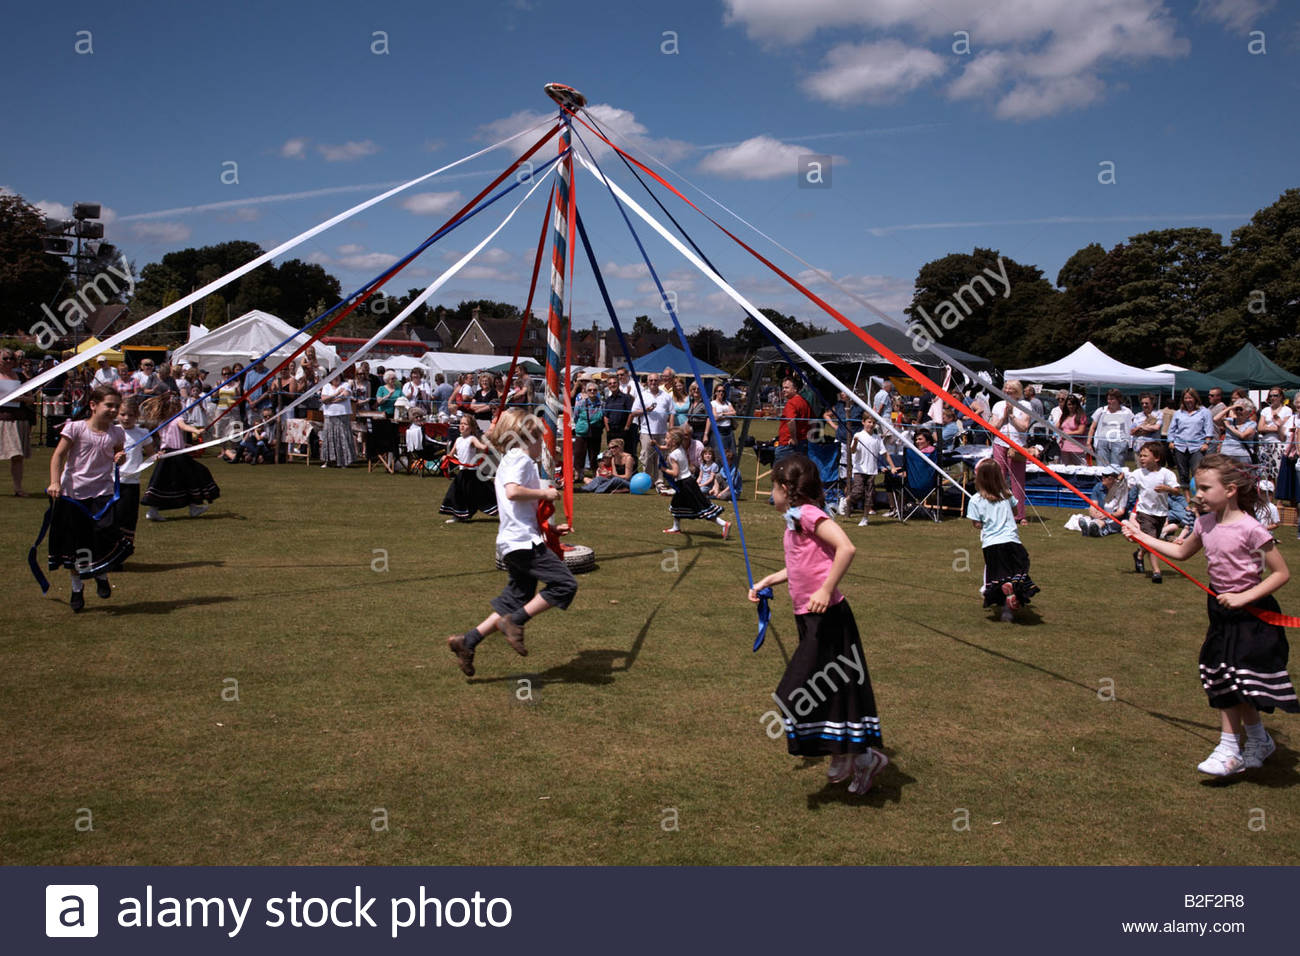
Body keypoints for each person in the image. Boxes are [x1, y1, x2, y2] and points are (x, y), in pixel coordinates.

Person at [1122, 455, 1297, 775]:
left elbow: (1281, 573)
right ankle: (1257, 740)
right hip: (1220, 610)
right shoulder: (1204, 523)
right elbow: (1180, 552)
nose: (1198, 494)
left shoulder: (1250, 528)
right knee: (1228, 675)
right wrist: (1139, 536)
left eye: (1205, 487)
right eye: (1195, 487)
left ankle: (1230, 749)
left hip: (1252, 614)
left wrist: (1244, 596)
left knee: (1231, 676)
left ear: (1230, 490)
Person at [748, 453, 886, 795]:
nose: (771, 496)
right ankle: (861, 757)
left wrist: (826, 589)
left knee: (794, 691)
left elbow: (846, 548)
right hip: (807, 617)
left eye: (772, 489)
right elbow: (801, 565)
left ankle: (842, 751)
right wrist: (769, 580)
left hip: (829, 617)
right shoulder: (794, 518)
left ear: (784, 488)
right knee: (832, 688)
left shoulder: (809, 514)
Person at [445, 408, 578, 677]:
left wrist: (551, 529)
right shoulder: (521, 459)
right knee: (565, 584)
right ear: (523, 437)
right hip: (522, 543)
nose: (541, 445)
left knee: (516, 599)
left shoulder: (508, 459)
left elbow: (520, 509)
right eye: (538, 439)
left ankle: (467, 641)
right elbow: (513, 492)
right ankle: (515, 622)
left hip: (512, 541)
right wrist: (546, 492)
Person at [45, 386, 131, 611]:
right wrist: (55, 482)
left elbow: (118, 457)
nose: (113, 410)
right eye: (108, 405)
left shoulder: (117, 432)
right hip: (74, 495)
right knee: (76, 544)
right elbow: (58, 456)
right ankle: (77, 587)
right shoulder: (75, 428)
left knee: (103, 537)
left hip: (102, 494)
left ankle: (101, 575)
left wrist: (120, 458)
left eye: (116, 406)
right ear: (93, 405)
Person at [969, 457, 1039, 621]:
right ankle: (1011, 596)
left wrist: (985, 522)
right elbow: (1015, 513)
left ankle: (1006, 598)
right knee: (1019, 572)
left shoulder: (975, 500)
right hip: (1013, 542)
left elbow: (976, 524)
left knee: (998, 578)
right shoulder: (1007, 494)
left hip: (992, 545)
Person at [140, 393, 220, 521]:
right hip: (174, 455)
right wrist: (196, 430)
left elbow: (171, 437)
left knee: (179, 480)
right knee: (192, 475)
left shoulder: (162, 422)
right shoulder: (177, 419)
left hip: (171, 453)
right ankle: (154, 511)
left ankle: (193, 507)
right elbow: (184, 427)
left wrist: (184, 444)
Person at [661, 427, 730, 538]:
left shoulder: (673, 455)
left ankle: (723, 524)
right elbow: (665, 447)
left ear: (673, 441)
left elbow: (675, 473)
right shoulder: (680, 448)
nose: (665, 439)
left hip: (684, 484)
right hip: (688, 482)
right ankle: (676, 527)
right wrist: (656, 445)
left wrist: (664, 470)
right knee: (676, 504)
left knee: (700, 508)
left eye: (667, 438)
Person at [1128, 442, 1180, 584]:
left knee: (1151, 542)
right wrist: (1120, 480)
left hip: (1161, 513)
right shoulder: (1137, 473)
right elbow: (1127, 486)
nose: (1141, 458)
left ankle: (1139, 554)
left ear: (1156, 458)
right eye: (1140, 455)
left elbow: (1177, 490)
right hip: (1144, 513)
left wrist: (1166, 488)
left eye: (1145, 456)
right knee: (1152, 543)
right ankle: (1156, 571)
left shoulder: (1166, 473)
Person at [114, 398, 155, 563]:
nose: (126, 418)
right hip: (112, 482)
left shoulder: (142, 433)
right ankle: (108, 554)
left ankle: (121, 555)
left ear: (136, 416)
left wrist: (157, 456)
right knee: (111, 519)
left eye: (130, 415)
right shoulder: (113, 431)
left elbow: (151, 453)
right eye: (122, 414)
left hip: (131, 484)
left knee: (128, 519)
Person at [439, 414, 498, 522]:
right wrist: (445, 457)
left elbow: (482, 447)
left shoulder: (472, 439)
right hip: (462, 472)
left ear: (471, 428)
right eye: (461, 424)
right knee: (456, 492)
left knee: (485, 493)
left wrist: (489, 441)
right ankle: (458, 515)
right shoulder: (458, 440)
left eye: (465, 424)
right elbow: (451, 454)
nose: (462, 426)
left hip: (473, 473)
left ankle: (503, 509)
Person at [990, 379, 1032, 525]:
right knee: (998, 478)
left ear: (1018, 391)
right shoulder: (998, 405)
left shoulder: (1025, 405)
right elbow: (993, 427)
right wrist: (1003, 416)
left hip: (1017, 445)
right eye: (1006, 388)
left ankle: (1019, 515)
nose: (1007, 391)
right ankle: (997, 512)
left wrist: (1012, 415)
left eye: (1011, 389)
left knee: (1017, 480)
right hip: (999, 443)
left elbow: (1024, 427)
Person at [0, 347, 35, 496]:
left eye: (11, 358)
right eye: (5, 358)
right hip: (2, 419)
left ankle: (18, 488)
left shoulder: (20, 377)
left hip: (19, 419)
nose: (9, 361)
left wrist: (19, 398)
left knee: (17, 456)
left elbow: (31, 399)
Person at [1167, 388, 1215, 487]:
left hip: (1197, 447)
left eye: (1190, 398)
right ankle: (1187, 497)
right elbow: (1172, 429)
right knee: (1182, 473)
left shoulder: (1204, 412)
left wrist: (1206, 443)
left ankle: (1198, 493)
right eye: (1186, 398)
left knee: (1197, 472)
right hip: (1180, 446)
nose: (1188, 400)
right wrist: (1171, 442)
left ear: (1195, 398)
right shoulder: (1178, 413)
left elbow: (1209, 429)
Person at [630, 372, 673, 484]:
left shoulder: (666, 396)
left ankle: (659, 480)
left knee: (661, 457)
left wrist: (671, 431)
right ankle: (647, 481)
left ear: (659, 382)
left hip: (662, 432)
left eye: (655, 380)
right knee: (647, 457)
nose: (653, 382)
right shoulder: (642, 395)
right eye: (651, 380)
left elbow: (672, 413)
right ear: (648, 382)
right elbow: (633, 412)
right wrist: (646, 410)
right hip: (646, 432)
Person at [847, 416, 890, 525]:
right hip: (859, 469)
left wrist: (892, 466)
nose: (871, 424)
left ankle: (865, 518)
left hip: (871, 470)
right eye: (869, 422)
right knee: (858, 491)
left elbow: (885, 453)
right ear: (863, 422)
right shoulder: (858, 435)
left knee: (869, 496)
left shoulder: (877, 438)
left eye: (873, 423)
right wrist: (856, 442)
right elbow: (852, 450)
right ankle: (847, 501)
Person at [1077, 466, 1131, 537]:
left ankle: (1097, 529)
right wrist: (1093, 513)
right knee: (1087, 519)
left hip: (1116, 518)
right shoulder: (1098, 487)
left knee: (1111, 523)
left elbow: (1121, 512)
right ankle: (1092, 528)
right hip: (1101, 515)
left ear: (1114, 479)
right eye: (1102, 475)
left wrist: (1107, 515)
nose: (1103, 477)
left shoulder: (1122, 490)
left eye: (1106, 476)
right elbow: (1093, 505)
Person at [1087, 389, 1133, 470]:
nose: (1109, 401)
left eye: (1112, 399)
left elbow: (1132, 426)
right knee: (1102, 468)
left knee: (1117, 468)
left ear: (1118, 399)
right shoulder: (1101, 411)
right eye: (1108, 399)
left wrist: (1128, 441)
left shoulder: (1126, 412)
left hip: (1119, 443)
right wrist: (1088, 443)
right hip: (1102, 443)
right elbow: (1092, 427)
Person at [1257, 386, 1292, 483]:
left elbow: (1285, 427)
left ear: (1281, 397)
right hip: (1265, 444)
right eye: (1271, 396)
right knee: (1267, 473)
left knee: (1279, 472)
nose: (1273, 398)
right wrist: (1276, 428)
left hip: (1280, 444)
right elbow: (1260, 428)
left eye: (1275, 395)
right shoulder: (1265, 410)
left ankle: (1280, 496)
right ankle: (1270, 495)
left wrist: (1267, 428)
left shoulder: (1287, 410)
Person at [319, 372, 355, 468]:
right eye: (334, 377)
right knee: (328, 438)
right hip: (329, 416)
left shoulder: (346, 385)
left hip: (342, 415)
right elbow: (323, 399)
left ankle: (344, 461)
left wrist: (330, 400)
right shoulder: (326, 386)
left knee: (343, 437)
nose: (336, 378)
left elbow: (344, 397)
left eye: (338, 376)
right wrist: (337, 393)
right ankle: (328, 461)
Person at [571, 379, 604, 481]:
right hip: (582, 431)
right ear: (586, 391)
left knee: (594, 454)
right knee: (579, 453)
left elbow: (603, 416)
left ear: (597, 391)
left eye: (594, 390)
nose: (592, 392)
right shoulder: (580, 403)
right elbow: (576, 416)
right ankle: (578, 474)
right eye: (590, 390)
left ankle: (595, 473)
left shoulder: (602, 404)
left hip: (595, 431)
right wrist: (581, 425)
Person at [775, 377, 812, 463]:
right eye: (783, 387)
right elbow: (812, 421)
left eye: (787, 387)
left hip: (788, 445)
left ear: (795, 389)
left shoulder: (791, 403)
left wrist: (793, 438)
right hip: (802, 443)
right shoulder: (804, 402)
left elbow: (791, 421)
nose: (784, 390)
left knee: (781, 474)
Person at [1216, 392, 1257, 467]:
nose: (1238, 412)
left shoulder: (1252, 424)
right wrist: (1230, 408)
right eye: (1236, 409)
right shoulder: (1230, 420)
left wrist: (1229, 427)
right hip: (1227, 453)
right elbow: (1215, 419)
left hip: (1243, 455)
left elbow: (1243, 435)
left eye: (1241, 409)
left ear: (1248, 412)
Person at [1057, 395, 1090, 465]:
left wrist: (1068, 434)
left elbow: (1081, 431)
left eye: (1073, 404)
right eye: (1069, 404)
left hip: (1077, 448)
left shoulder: (1081, 416)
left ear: (1077, 404)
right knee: (1064, 469)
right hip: (1064, 447)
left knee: (1081, 469)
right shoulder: (1064, 416)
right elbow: (1057, 427)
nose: (1071, 406)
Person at [603, 378, 634, 451]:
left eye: (614, 383)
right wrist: (608, 430)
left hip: (623, 430)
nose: (612, 385)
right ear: (608, 386)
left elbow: (631, 414)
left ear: (618, 384)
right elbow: (605, 416)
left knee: (625, 453)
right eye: (610, 383)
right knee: (612, 453)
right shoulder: (608, 400)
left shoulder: (626, 398)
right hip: (611, 431)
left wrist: (626, 428)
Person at [709, 383, 737, 462]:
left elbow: (734, 413)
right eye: (719, 391)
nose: (721, 393)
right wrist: (728, 415)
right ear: (715, 393)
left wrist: (723, 414)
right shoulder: (713, 403)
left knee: (732, 453)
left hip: (729, 430)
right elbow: (715, 417)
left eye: (723, 391)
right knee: (720, 454)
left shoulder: (728, 403)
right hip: (719, 431)